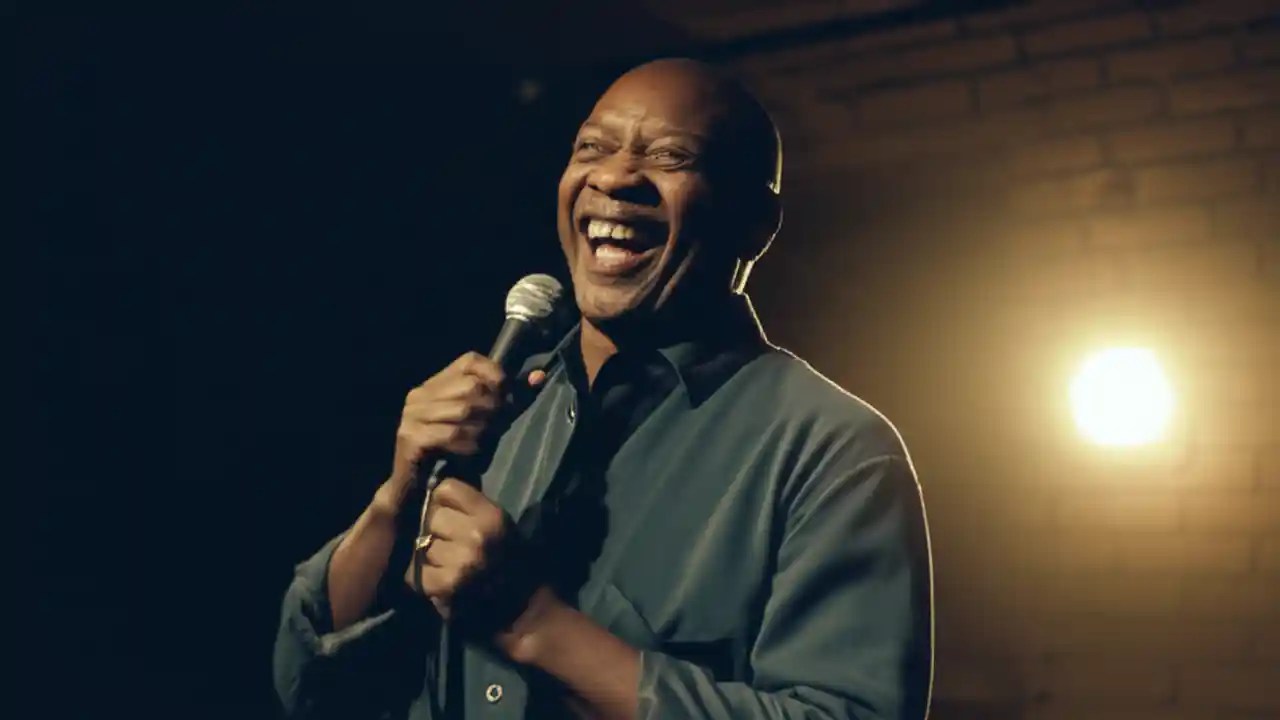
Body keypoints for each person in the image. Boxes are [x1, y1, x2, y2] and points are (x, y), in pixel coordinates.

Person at [273, 57, 933, 720]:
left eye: (671, 156)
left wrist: (531, 622)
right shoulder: (501, 411)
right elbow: (308, 685)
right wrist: (396, 498)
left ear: (755, 223)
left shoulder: (830, 450)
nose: (614, 177)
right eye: (592, 148)